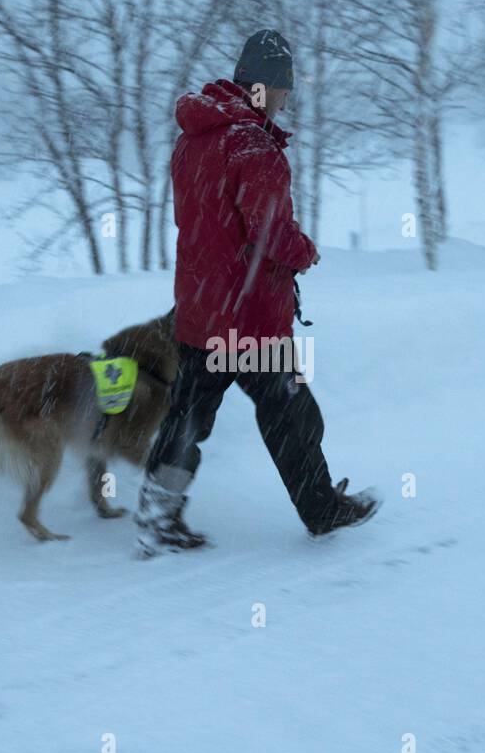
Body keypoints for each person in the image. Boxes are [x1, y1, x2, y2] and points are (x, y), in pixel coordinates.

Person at [134, 29, 380, 557]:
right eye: (284, 87)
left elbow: (199, 222)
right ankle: (321, 509)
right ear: (265, 86)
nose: (288, 97)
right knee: (292, 414)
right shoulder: (250, 142)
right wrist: (306, 251)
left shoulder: (193, 140)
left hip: (200, 310)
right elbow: (270, 233)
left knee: (187, 418)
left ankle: (157, 515)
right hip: (250, 318)